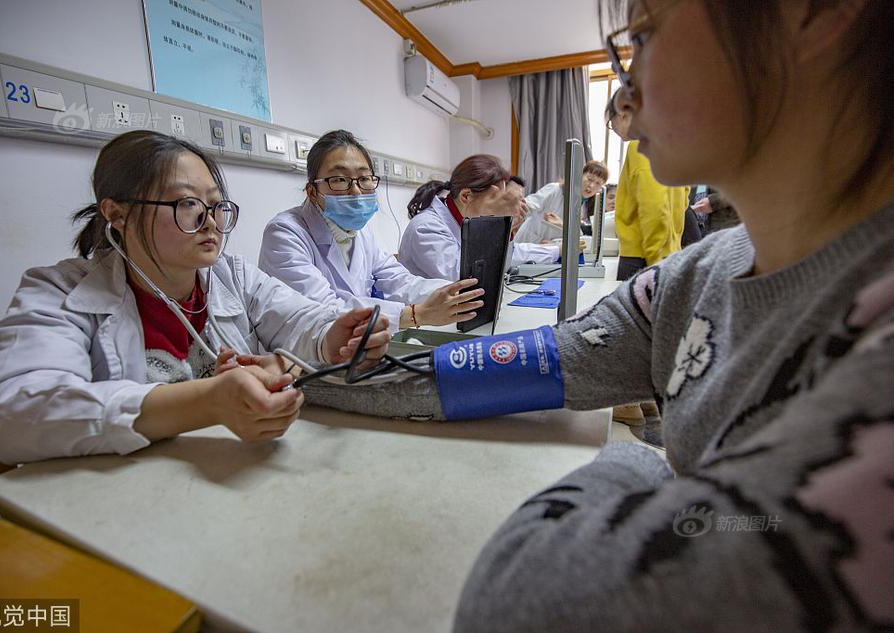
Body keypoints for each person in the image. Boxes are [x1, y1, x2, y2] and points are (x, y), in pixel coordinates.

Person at [310, 0, 894, 628]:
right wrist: (313, 384)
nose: (626, 88)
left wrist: (640, 463)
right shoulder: (692, 280)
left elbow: (520, 605)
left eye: (643, 35)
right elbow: (507, 364)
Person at [0, 130, 392, 465]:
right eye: (188, 204)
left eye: (215, 205)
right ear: (117, 214)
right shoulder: (60, 292)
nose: (211, 222)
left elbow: (300, 318)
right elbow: (8, 416)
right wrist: (208, 400)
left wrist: (333, 336)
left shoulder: (231, 275)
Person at [259, 130, 484, 332]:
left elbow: (399, 281)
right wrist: (415, 315)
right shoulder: (285, 233)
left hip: (358, 345)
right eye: (339, 179)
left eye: (364, 179)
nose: (356, 191)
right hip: (299, 361)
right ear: (312, 191)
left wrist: (461, 291)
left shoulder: (360, 232)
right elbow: (323, 310)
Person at [397, 154, 522, 280]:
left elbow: (500, 265)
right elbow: (468, 279)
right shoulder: (426, 228)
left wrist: (507, 228)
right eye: (495, 198)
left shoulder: (466, 220)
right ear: (466, 196)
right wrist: (500, 227)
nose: (499, 206)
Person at [607, 92, 690, 281]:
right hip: (669, 251)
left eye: (611, 124)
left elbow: (653, 205)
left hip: (643, 255)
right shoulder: (674, 146)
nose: (613, 129)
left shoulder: (640, 145)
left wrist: (655, 261)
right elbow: (683, 201)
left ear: (621, 114)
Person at [513, 160, 609, 244]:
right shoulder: (555, 190)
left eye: (598, 183)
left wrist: (556, 240)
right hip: (528, 243)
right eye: (590, 179)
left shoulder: (586, 206)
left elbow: (577, 235)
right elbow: (529, 205)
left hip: (550, 251)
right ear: (579, 175)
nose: (591, 186)